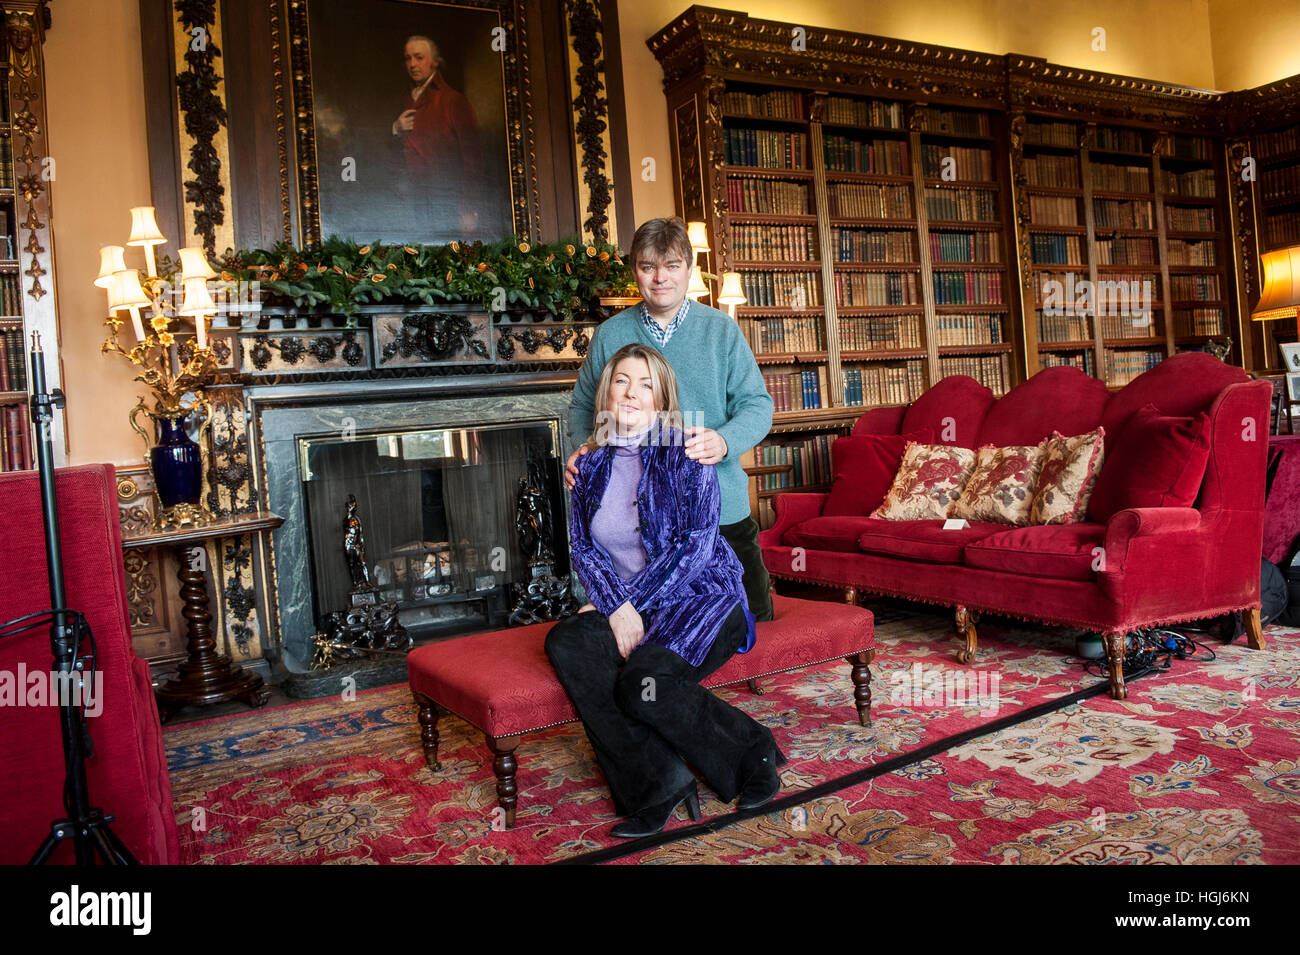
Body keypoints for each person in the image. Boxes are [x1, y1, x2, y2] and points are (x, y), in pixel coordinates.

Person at [546, 344, 784, 838]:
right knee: (568, 641)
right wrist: (616, 608)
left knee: (643, 687)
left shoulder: (687, 453)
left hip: (704, 598)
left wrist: (629, 607)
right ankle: (660, 783)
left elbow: (694, 548)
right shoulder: (586, 468)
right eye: (622, 382)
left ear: (662, 400)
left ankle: (752, 752)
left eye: (646, 385)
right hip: (632, 605)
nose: (632, 394)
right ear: (605, 394)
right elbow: (584, 551)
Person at [567, 217, 775, 621]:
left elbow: (757, 405)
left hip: (720, 507)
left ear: (690, 270)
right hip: (636, 515)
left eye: (672, 266)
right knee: (658, 623)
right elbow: (581, 407)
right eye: (648, 267)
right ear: (635, 273)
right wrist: (586, 451)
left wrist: (724, 440)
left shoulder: (721, 331)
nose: (660, 278)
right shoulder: (610, 334)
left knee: (756, 623)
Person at [391, 35, 481, 234]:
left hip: (445, 203)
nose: (412, 64)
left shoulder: (452, 100)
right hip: (411, 202)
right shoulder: (404, 100)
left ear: (434, 62)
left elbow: (472, 160)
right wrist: (396, 129)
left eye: (419, 57)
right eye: (408, 58)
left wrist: (468, 208)